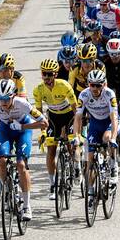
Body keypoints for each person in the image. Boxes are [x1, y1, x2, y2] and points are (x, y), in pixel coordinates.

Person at [0, 78, 47, 219]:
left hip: (23, 129)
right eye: (1, 98)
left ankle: (26, 205)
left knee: (21, 164)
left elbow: (44, 123)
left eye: (7, 98)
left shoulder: (23, 104)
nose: (3, 102)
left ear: (14, 95)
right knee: (0, 160)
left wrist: (23, 126)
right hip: (5, 130)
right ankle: (6, 189)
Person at [34, 58, 80, 196]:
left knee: (72, 143)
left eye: (49, 74)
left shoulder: (64, 85)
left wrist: (76, 131)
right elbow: (39, 114)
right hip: (53, 119)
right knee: (51, 150)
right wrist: (42, 132)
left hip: (69, 117)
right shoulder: (38, 90)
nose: (46, 77)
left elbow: (75, 110)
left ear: (55, 74)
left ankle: (77, 166)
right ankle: (53, 184)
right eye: (44, 74)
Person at [76, 68, 120, 189]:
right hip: (95, 123)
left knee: (107, 138)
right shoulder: (84, 94)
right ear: (88, 84)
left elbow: (114, 117)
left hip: (109, 122)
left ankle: (113, 166)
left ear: (104, 84)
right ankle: (90, 192)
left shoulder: (109, 94)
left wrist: (114, 138)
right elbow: (78, 117)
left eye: (98, 85)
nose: (95, 88)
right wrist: (76, 136)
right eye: (92, 85)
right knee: (90, 158)